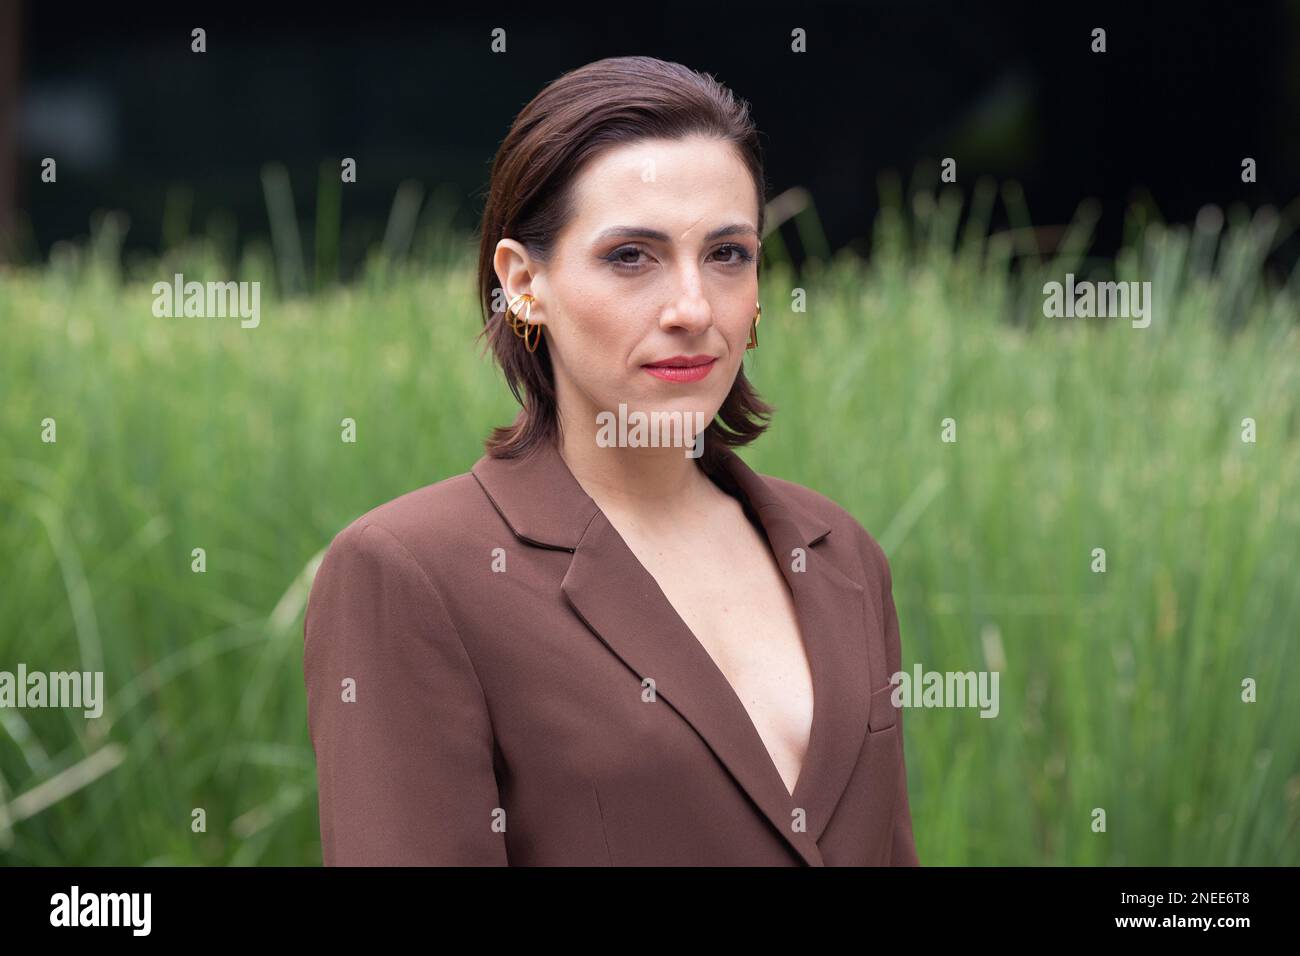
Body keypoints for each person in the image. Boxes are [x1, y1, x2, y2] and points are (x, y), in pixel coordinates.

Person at [303, 54, 919, 866]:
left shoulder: (840, 554)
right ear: (524, 283)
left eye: (728, 254)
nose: (693, 309)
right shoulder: (412, 573)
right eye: (632, 256)